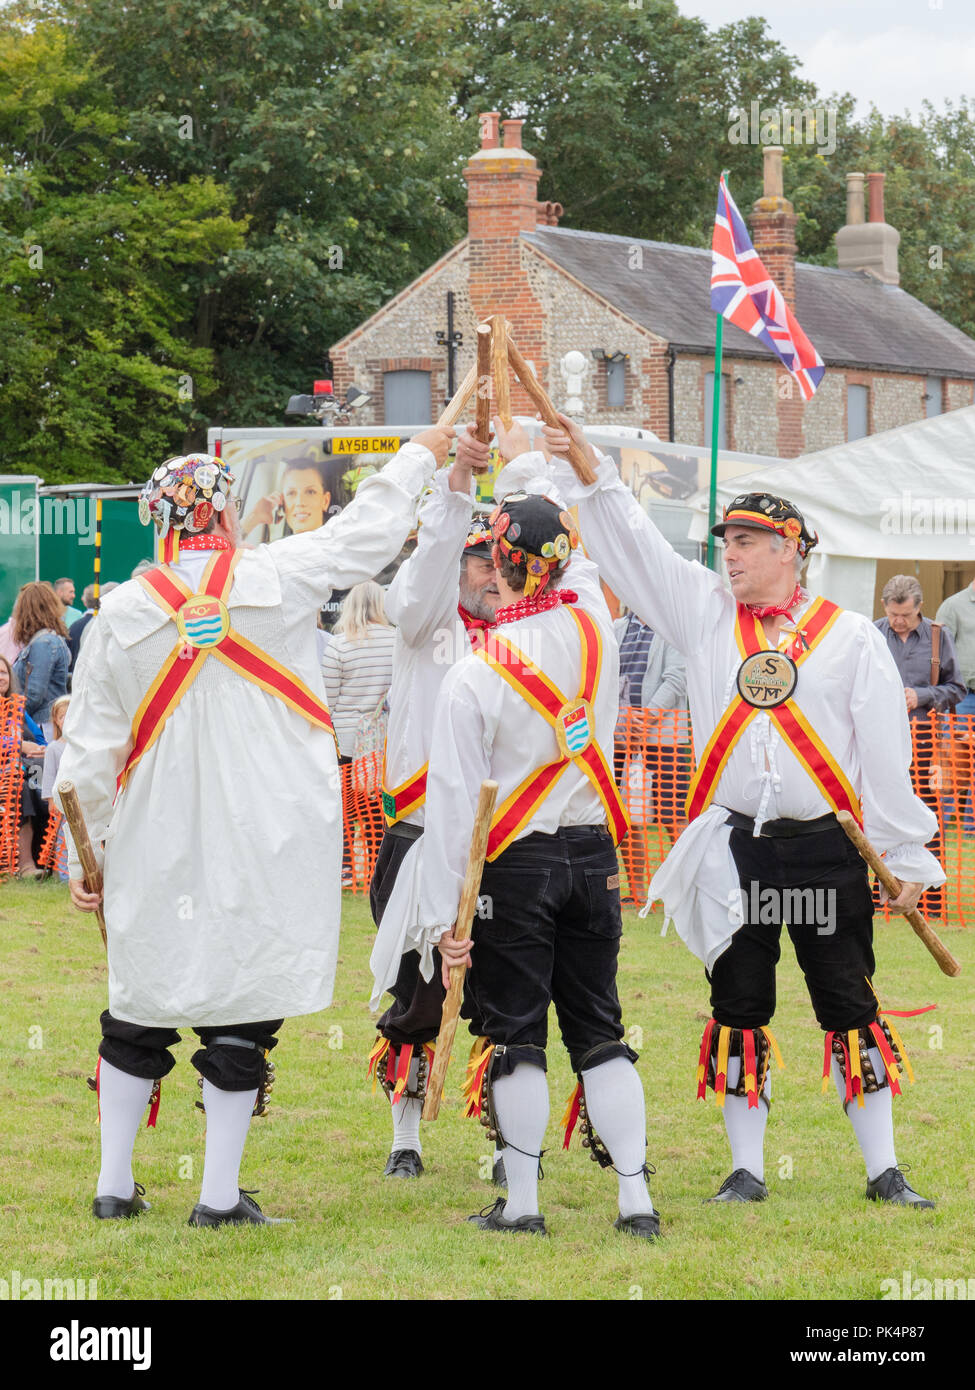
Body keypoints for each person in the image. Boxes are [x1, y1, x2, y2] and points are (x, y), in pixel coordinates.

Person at [535, 415, 945, 1211]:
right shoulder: (702, 611)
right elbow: (634, 549)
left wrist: (908, 858)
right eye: (727, 539)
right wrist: (592, 472)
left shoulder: (850, 637)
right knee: (737, 1004)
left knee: (848, 1003)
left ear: (791, 549)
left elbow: (886, 759)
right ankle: (744, 1170)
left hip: (829, 844)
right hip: (734, 847)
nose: (729, 551)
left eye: (748, 541)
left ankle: (882, 1170)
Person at [56, 432, 450, 1226]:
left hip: (154, 833)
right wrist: (421, 454)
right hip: (268, 828)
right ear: (227, 512)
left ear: (155, 522)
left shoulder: (122, 611)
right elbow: (368, 533)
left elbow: (87, 757)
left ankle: (112, 1185)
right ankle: (217, 1195)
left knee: (140, 995)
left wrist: (85, 858)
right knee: (242, 1002)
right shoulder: (280, 571)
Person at [415, 485, 660, 1241]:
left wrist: (440, 920)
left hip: (515, 872)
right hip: (595, 858)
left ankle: (521, 1203)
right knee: (600, 1027)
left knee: (517, 1032)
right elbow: (580, 563)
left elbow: (454, 812)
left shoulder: (474, 675)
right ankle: (634, 1201)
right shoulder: (597, 625)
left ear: (498, 566)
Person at [366, 421, 509, 1181]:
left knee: (506, 997)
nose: (494, 577)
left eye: (502, 564)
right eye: (482, 563)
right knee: (417, 996)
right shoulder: (425, 623)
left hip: (506, 845)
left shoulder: (523, 636)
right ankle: (406, 1135)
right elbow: (417, 586)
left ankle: (502, 1142)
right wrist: (456, 486)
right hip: (420, 838)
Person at [876, 575, 963, 918]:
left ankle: (931, 902)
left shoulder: (939, 638)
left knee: (925, 815)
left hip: (923, 739)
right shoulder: (871, 633)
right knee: (881, 814)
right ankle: (879, 894)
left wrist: (922, 695)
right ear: (885, 607)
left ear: (919, 608)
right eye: (893, 614)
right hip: (880, 740)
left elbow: (956, 688)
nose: (898, 621)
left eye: (906, 615)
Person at [323, 580, 397, 887]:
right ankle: (378, 867)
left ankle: (345, 870)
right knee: (379, 810)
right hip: (386, 741)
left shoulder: (338, 645)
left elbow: (327, 698)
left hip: (346, 742)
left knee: (344, 809)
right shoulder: (399, 642)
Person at [613, 609, 689, 901]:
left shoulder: (670, 626)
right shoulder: (618, 628)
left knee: (674, 815)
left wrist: (644, 719)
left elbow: (675, 680)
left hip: (664, 740)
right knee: (628, 816)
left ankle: (689, 888)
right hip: (622, 740)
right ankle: (637, 893)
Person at [0, 654, 47, 879]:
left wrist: (42, 749)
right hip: (6, 771)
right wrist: (20, 746)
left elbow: (39, 738)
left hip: (28, 767)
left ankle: (56, 863)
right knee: (20, 785)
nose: (1, 677)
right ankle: (26, 864)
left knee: (44, 777)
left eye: (3, 672)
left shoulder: (17, 707)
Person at [935, 577, 975, 834]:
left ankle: (971, 825)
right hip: (964, 698)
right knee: (955, 759)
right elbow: (938, 653)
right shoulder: (954, 606)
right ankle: (941, 822)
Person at [242, 454, 349, 542]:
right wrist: (253, 518)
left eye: (310, 492)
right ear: (282, 503)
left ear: (325, 501)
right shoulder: (272, 551)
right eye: (291, 493)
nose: (300, 502)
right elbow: (226, 556)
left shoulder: (341, 546)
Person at [11, 582, 70, 741]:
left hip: (41, 726)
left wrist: (14, 715)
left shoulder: (43, 643)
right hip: (46, 722)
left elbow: (34, 693)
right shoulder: (51, 640)